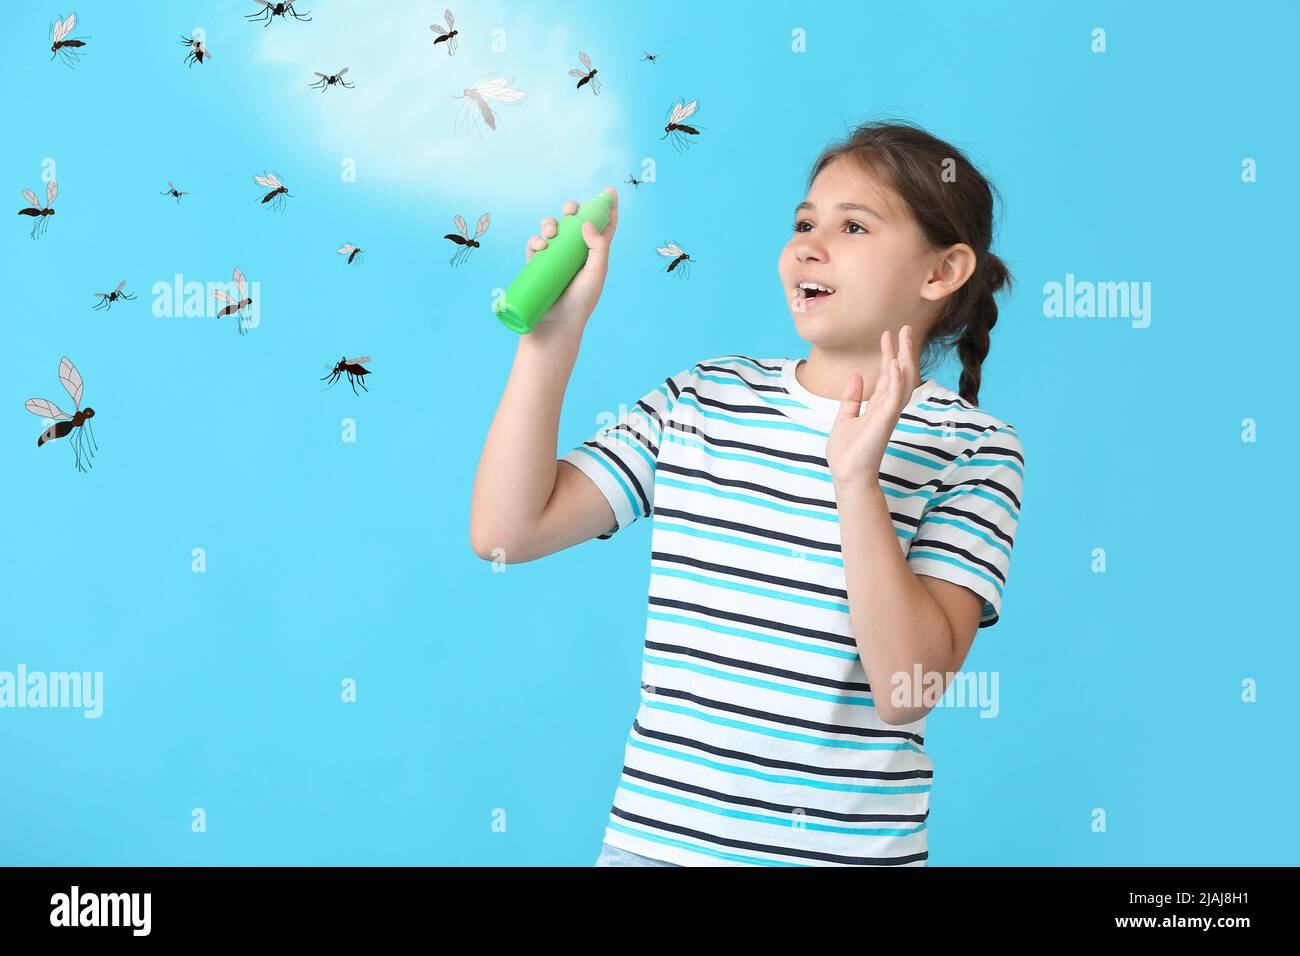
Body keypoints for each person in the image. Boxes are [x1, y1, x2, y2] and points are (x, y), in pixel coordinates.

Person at [471, 119, 1026, 867]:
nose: (808, 244)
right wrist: (552, 336)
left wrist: (857, 481)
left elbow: (906, 688)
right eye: (804, 222)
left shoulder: (975, 450)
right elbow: (507, 533)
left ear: (941, 272)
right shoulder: (702, 398)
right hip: (654, 850)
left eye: (853, 225)